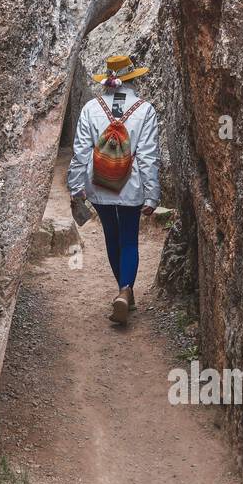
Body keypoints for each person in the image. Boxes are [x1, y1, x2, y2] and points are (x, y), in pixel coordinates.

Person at [67, 53, 160, 326]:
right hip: (131, 186)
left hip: (99, 183)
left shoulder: (90, 108)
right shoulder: (145, 110)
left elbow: (81, 151)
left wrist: (75, 188)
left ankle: (124, 290)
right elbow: (148, 156)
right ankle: (125, 290)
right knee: (129, 239)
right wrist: (152, 193)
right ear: (133, 78)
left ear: (107, 79)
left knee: (111, 235)